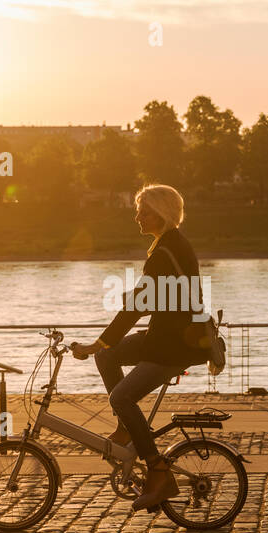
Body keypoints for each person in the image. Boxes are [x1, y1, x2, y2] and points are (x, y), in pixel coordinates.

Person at [71, 184, 207, 511]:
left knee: (120, 395)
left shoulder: (165, 252)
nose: (137, 217)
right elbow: (153, 299)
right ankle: (126, 427)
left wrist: (95, 343)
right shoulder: (170, 246)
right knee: (107, 356)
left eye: (143, 211)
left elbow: (135, 309)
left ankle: (159, 472)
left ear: (159, 214)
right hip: (165, 336)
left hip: (174, 347)